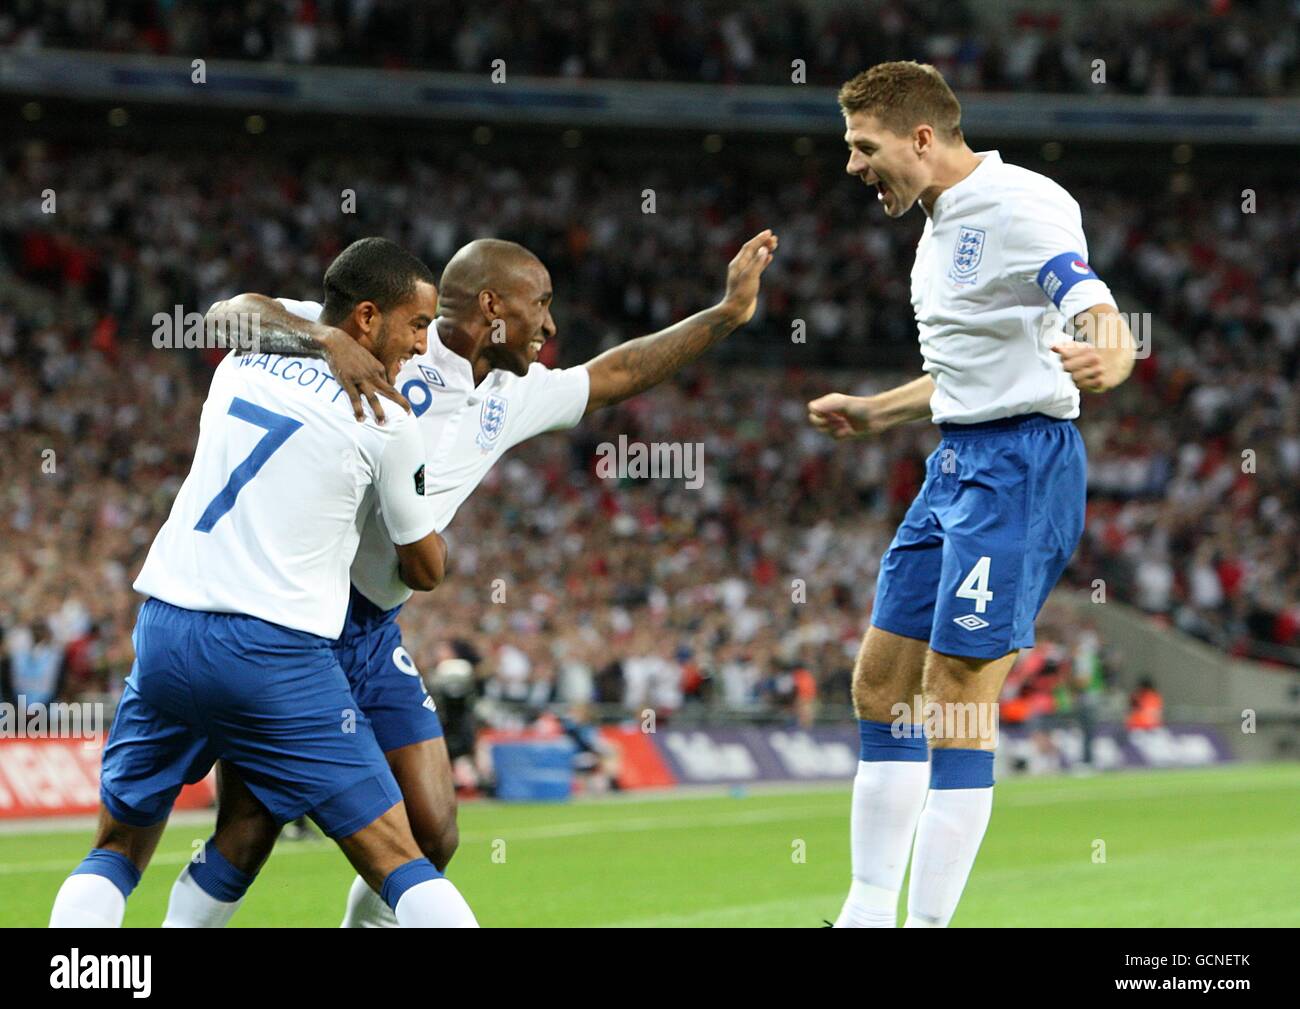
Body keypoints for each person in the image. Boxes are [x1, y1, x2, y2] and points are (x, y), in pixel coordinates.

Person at [164, 230, 778, 927]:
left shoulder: (513, 392)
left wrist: (725, 314)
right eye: (539, 304)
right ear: (492, 306)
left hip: (370, 630)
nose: (550, 324)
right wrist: (325, 342)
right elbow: (226, 316)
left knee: (435, 830)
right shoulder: (384, 343)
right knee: (247, 834)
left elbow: (616, 375)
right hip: (294, 618)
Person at [49, 237, 476, 928]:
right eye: (418, 325)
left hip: (166, 629)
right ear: (366, 318)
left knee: (116, 850)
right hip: (272, 652)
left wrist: (321, 342)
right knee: (402, 857)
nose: (423, 345)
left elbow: (229, 312)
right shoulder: (390, 419)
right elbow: (423, 569)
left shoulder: (253, 349)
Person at [807, 62, 1136, 928]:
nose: (852, 167)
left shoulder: (1020, 205)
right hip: (956, 461)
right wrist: (880, 410)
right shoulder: (939, 223)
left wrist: (1115, 353)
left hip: (1023, 465)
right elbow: (972, 364)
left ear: (922, 138)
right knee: (881, 685)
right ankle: (867, 913)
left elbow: (1092, 303)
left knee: (956, 688)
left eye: (862, 147)